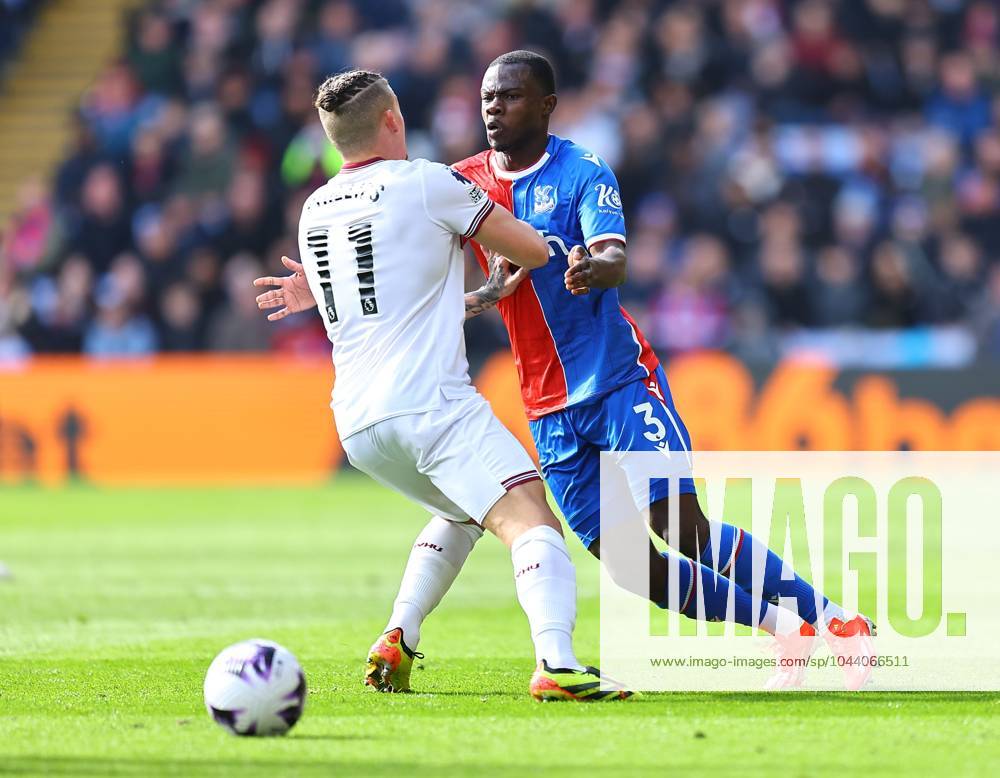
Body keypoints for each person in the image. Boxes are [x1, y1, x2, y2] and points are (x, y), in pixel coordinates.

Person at [259, 54, 875, 691]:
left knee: (680, 527)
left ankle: (837, 621)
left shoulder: (582, 170)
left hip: (616, 379)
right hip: (547, 406)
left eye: (510, 96)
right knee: (633, 566)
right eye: (487, 97)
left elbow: (613, 255)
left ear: (547, 105)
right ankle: (788, 632)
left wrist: (595, 267)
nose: (494, 108)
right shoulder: (460, 179)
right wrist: (330, 285)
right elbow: (404, 273)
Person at [253, 68, 632, 702]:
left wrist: (481, 295)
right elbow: (534, 251)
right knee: (530, 516)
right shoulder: (428, 183)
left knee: (460, 509)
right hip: (429, 405)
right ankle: (557, 663)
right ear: (392, 119)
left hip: (358, 424)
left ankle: (397, 635)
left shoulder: (315, 209)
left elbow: (395, 303)